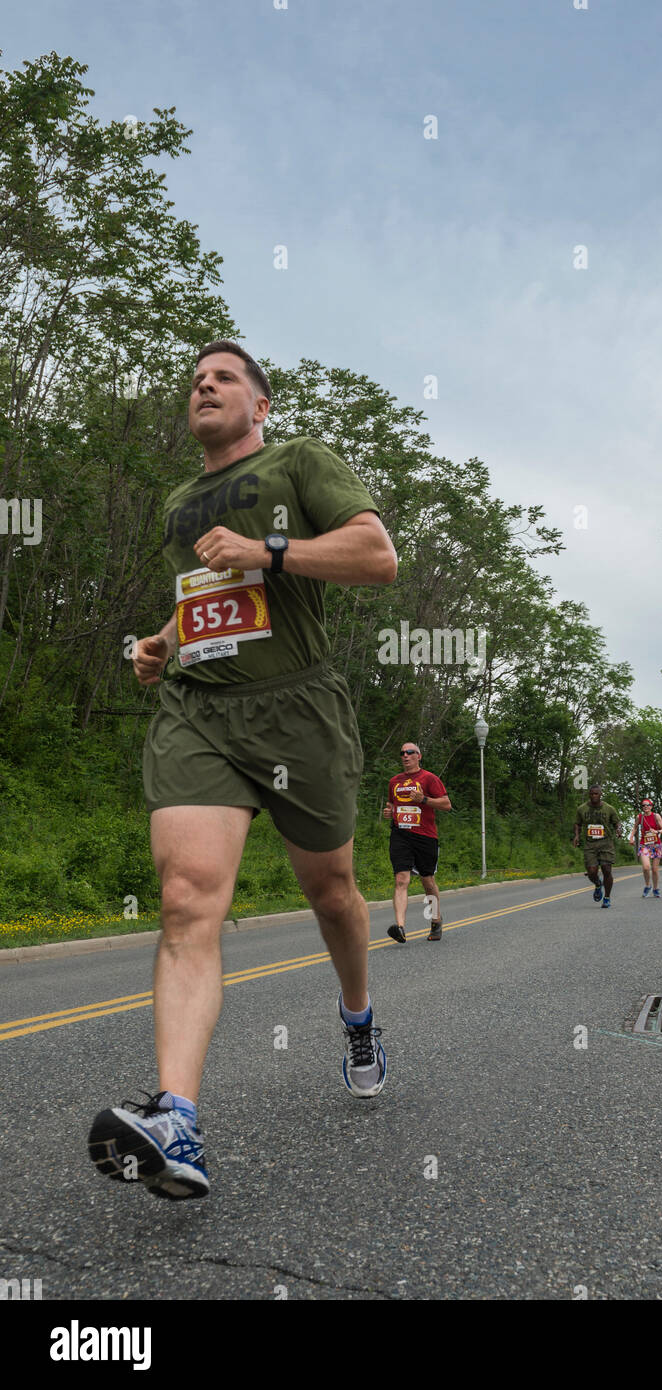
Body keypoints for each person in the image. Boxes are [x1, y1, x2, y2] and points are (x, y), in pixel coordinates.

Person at [88, 342, 398, 1201]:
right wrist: (163, 643)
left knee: (330, 889)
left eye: (223, 377)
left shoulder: (300, 461)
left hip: (298, 711)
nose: (204, 386)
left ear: (260, 404)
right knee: (187, 898)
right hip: (201, 713)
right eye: (195, 381)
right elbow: (206, 598)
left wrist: (269, 547)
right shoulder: (178, 501)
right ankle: (175, 1119)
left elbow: (377, 556)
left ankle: (358, 1021)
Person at [384, 744, 451, 942]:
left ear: (419, 756)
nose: (405, 756)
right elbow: (391, 804)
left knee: (427, 881)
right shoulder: (394, 781)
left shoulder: (429, 778)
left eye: (410, 752)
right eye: (402, 753)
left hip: (425, 836)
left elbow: (446, 805)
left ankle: (436, 919)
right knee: (401, 879)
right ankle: (400, 927)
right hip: (400, 835)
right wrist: (389, 812)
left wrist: (424, 800)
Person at [573, 783, 622, 908]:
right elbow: (577, 824)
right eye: (591, 794)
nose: (594, 796)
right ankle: (598, 884)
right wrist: (577, 836)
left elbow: (617, 822)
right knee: (591, 871)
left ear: (601, 794)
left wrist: (618, 830)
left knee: (606, 870)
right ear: (589, 795)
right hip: (590, 844)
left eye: (596, 794)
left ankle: (607, 898)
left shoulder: (609, 808)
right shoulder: (582, 809)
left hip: (606, 842)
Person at [630, 797, 662, 898]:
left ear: (651, 806)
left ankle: (655, 888)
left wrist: (657, 831)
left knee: (655, 869)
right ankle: (647, 885)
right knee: (646, 867)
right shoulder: (640, 817)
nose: (646, 807)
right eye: (643, 805)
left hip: (656, 844)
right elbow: (635, 827)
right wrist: (631, 838)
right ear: (642, 807)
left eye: (648, 805)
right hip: (644, 845)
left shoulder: (656, 816)